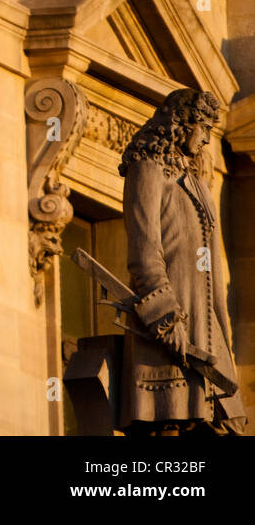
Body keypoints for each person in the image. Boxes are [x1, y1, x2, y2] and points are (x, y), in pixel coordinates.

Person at [120, 88, 245, 434]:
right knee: (174, 423)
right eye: (202, 128)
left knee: (225, 424)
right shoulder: (146, 169)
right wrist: (165, 318)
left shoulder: (195, 182)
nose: (206, 139)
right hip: (171, 328)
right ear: (180, 123)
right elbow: (144, 252)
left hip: (208, 330)